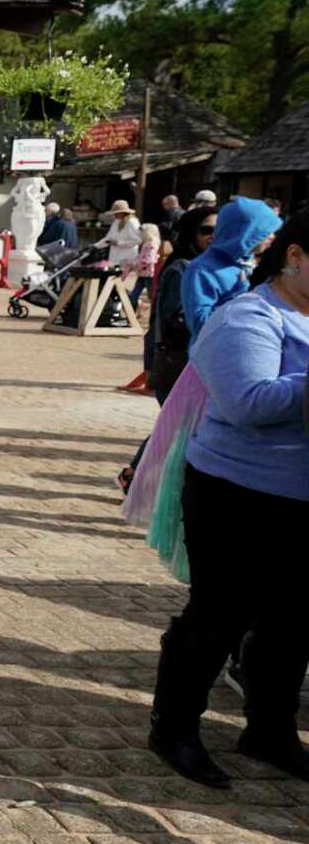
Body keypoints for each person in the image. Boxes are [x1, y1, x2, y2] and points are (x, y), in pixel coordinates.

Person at [147, 213, 309, 790]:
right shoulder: (247, 317)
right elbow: (247, 403)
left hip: (300, 497)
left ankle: (270, 730)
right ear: (295, 256)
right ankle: (174, 730)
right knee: (219, 613)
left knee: (294, 619)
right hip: (237, 493)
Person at [183, 196, 283, 337]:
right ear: (246, 233)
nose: (272, 237)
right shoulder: (202, 270)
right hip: (218, 348)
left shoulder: (249, 262)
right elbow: (200, 324)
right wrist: (241, 294)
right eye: (265, 232)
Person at [147, 205, 217, 402]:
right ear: (191, 232)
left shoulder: (220, 267)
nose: (214, 236)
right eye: (206, 230)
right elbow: (169, 320)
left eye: (220, 230)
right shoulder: (182, 269)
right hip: (182, 364)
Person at [131, 222, 163, 310]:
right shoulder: (147, 242)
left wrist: (136, 263)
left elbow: (149, 259)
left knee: (151, 296)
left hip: (149, 273)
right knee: (135, 294)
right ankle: (131, 312)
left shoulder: (152, 243)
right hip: (144, 272)